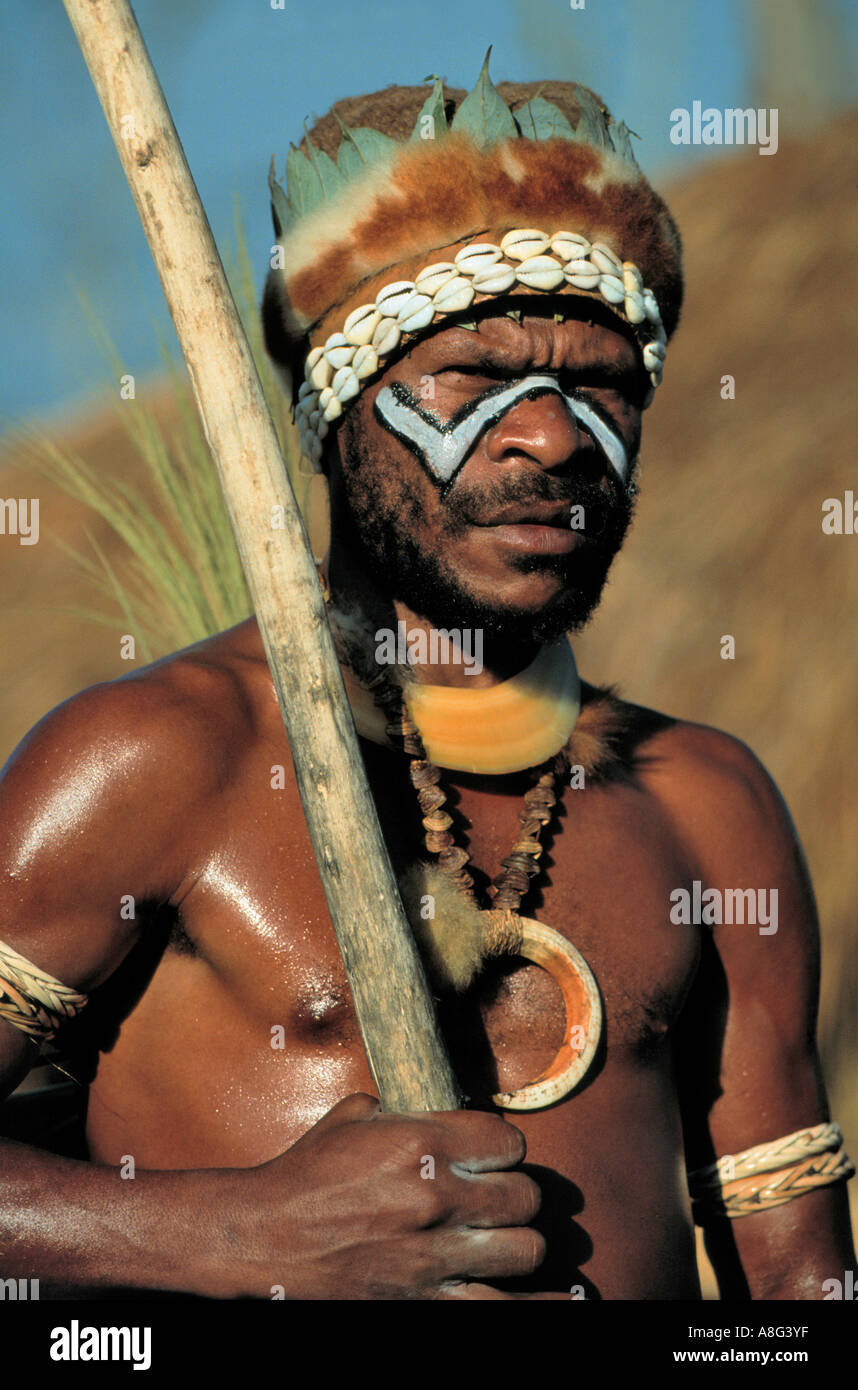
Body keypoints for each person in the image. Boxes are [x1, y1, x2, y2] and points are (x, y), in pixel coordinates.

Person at [0, 68, 853, 1301]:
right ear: (338, 416)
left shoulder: (708, 810)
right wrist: (240, 1237)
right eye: (470, 373)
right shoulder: (155, 760)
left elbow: (799, 1290)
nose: (554, 436)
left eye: (603, 381)